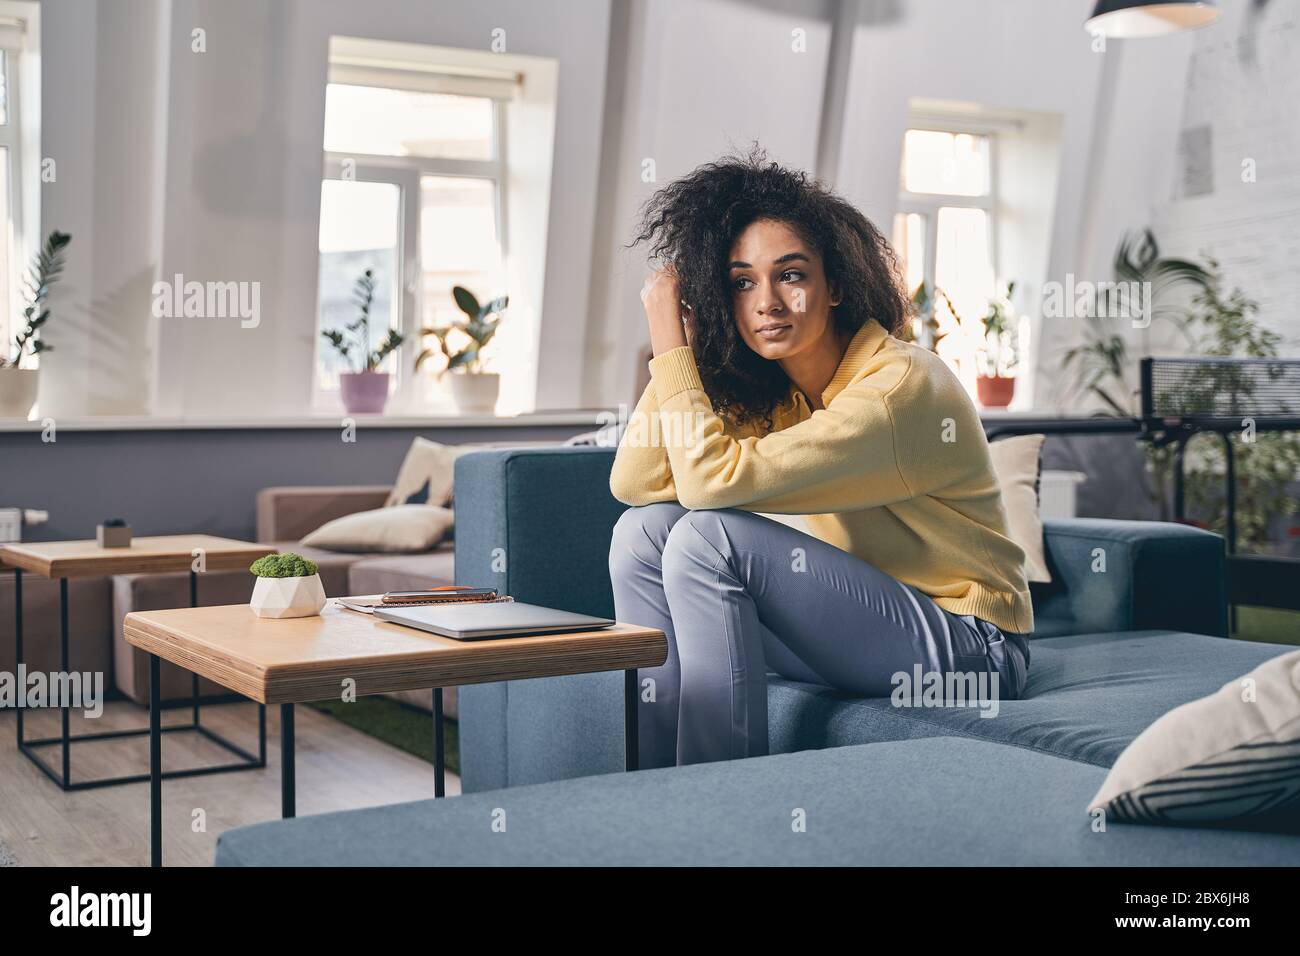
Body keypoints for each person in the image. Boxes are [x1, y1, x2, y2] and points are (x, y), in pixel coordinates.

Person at [608, 150, 1032, 768]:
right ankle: (650, 785)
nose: (767, 303)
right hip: (866, 630)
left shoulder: (897, 388)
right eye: (742, 282)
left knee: (708, 537)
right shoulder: (778, 390)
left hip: (973, 649)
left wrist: (668, 344)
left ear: (835, 285)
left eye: (791, 274)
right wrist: (693, 349)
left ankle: (714, 799)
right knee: (643, 534)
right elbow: (636, 482)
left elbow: (708, 485)